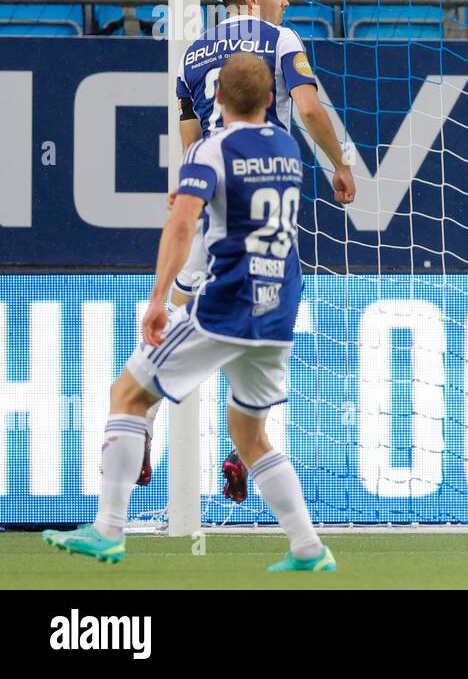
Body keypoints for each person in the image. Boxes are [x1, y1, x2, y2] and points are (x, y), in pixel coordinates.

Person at [44, 53, 337, 572]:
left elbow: (182, 227)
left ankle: (109, 529)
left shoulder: (209, 149)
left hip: (228, 300)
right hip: (280, 305)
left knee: (127, 394)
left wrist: (158, 300)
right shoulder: (289, 148)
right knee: (248, 433)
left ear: (217, 98)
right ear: (272, 99)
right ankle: (308, 546)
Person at [137, 0, 355, 499]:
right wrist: (339, 163)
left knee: (177, 308)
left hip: (211, 191)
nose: (288, 1)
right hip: (258, 192)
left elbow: (191, 141)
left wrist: (194, 184)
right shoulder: (280, 39)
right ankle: (244, 445)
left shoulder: (190, 55)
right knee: (268, 303)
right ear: (253, 0)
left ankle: (139, 419)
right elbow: (308, 108)